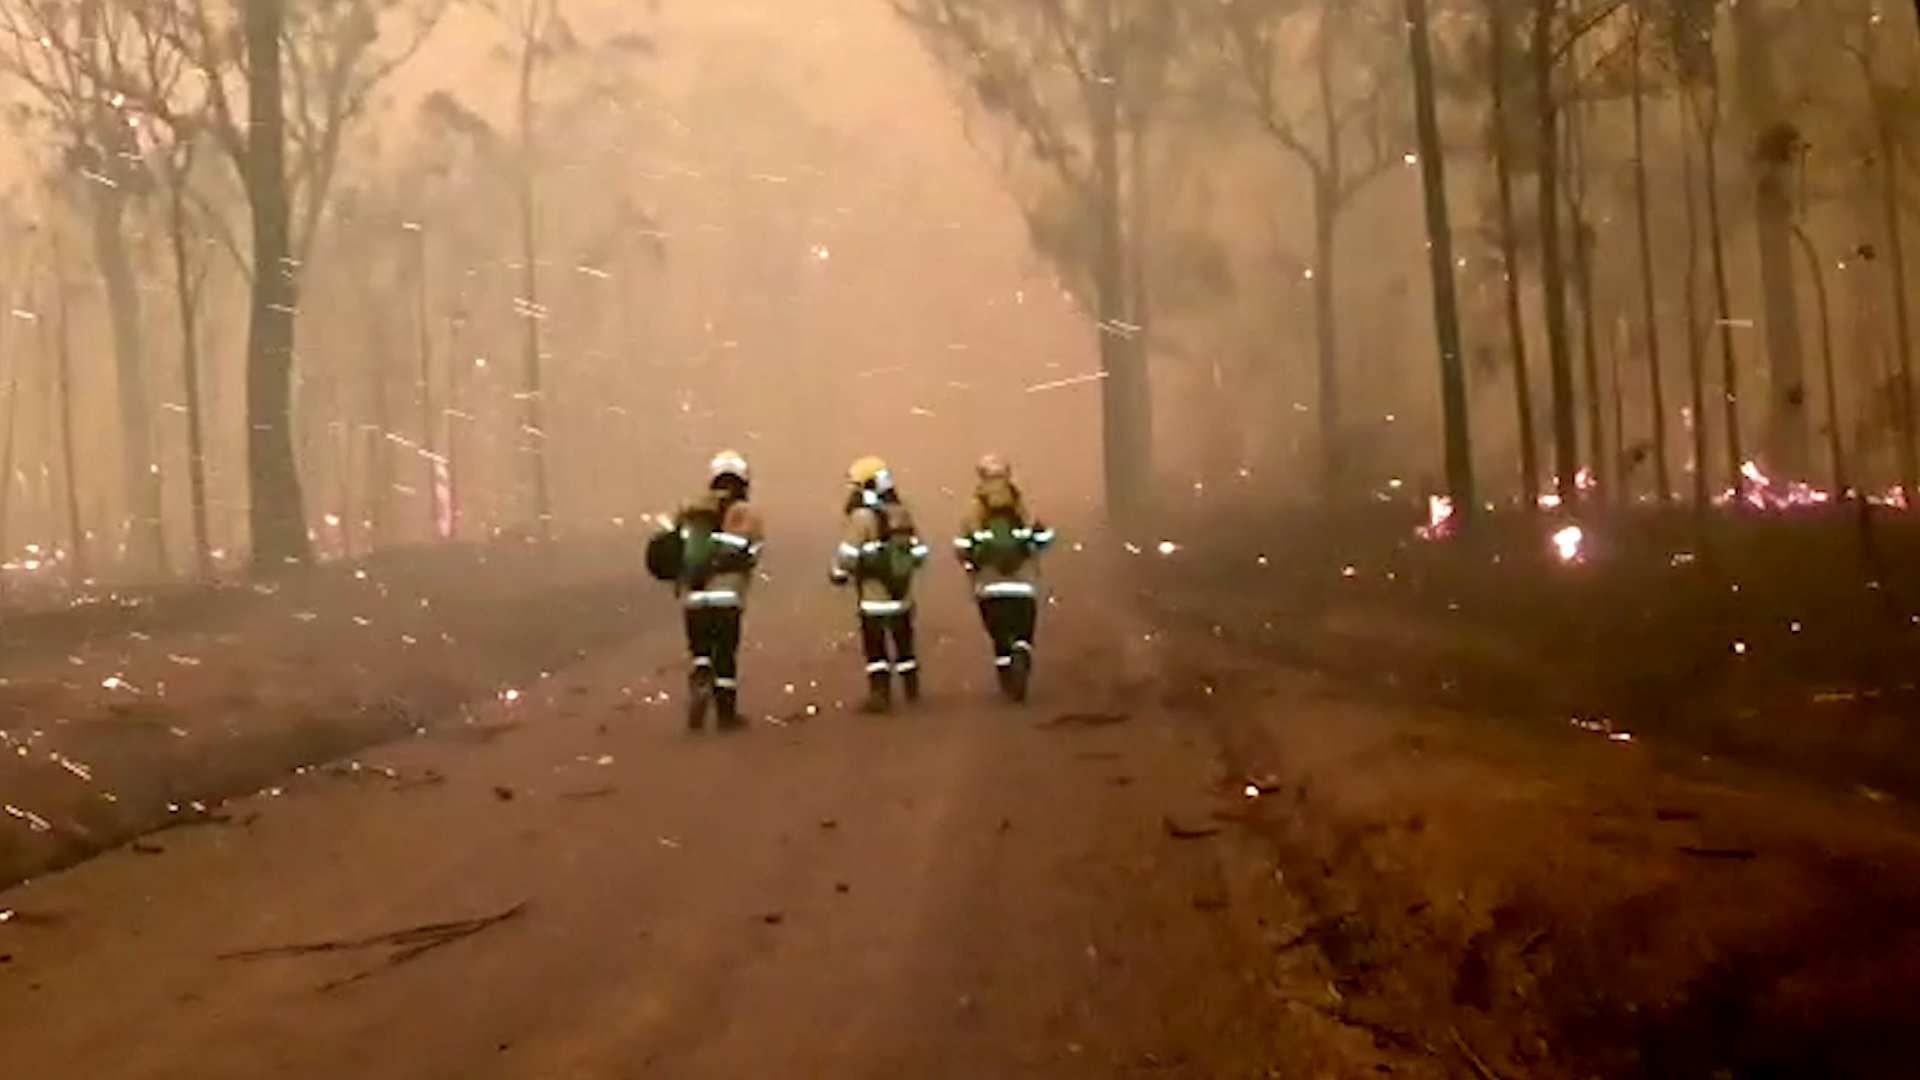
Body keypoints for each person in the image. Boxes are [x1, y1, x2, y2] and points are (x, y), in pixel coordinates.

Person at [659, 449, 764, 731]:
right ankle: (726, 716)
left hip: (694, 595)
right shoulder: (745, 513)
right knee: (725, 654)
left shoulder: (691, 509)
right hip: (727, 596)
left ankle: (700, 673)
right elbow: (751, 553)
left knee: (700, 649)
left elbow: (670, 544)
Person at [831, 456, 929, 713]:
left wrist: (840, 573)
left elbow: (847, 557)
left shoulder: (860, 518)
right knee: (904, 644)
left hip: (872, 599)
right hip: (902, 597)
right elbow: (919, 555)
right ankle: (911, 690)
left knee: (876, 649)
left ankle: (880, 693)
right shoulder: (902, 514)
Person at [953, 454, 1053, 702]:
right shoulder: (1022, 504)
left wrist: (973, 560)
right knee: (1023, 630)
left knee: (999, 634)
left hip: (989, 584)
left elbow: (961, 547)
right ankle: (1022, 652)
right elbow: (1043, 538)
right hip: (1023, 582)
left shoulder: (972, 508)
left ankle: (1007, 675)